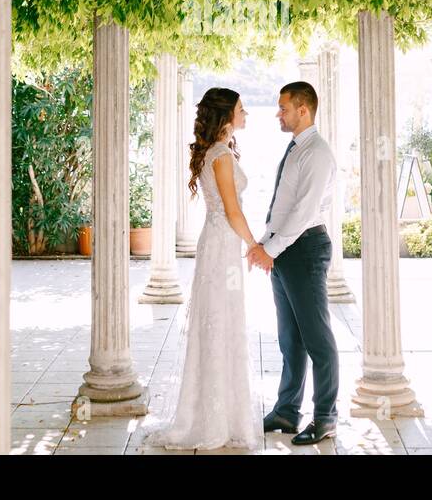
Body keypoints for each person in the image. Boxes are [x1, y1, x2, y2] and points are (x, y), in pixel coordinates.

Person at [140, 87, 261, 450]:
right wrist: (255, 246)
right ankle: (215, 418)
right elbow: (233, 210)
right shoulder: (220, 156)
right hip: (223, 243)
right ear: (226, 115)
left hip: (218, 242)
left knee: (221, 322)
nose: (246, 114)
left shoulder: (217, 152)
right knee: (221, 321)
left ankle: (222, 413)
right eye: (241, 109)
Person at [246, 81, 340, 446]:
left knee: (318, 339)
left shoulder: (317, 152)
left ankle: (326, 417)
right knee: (291, 339)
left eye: (283, 108)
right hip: (287, 250)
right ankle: (287, 410)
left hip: (305, 248)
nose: (278, 114)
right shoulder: (297, 147)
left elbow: (302, 213)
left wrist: (272, 249)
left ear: (304, 110)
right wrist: (268, 245)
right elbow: (284, 207)